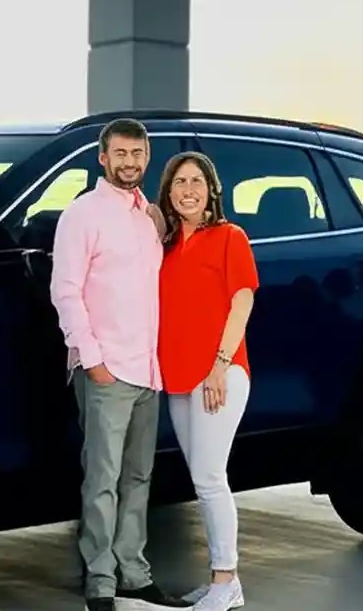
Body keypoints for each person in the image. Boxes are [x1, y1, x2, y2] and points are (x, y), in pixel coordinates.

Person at [50, 118, 186, 611]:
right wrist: (93, 360)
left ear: (147, 159)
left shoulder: (149, 216)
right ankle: (101, 582)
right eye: (120, 154)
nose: (129, 162)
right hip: (106, 369)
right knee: (102, 480)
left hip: (148, 369)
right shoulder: (83, 215)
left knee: (139, 478)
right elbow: (64, 290)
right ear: (102, 159)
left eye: (138, 154)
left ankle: (134, 572)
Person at [154, 151, 258, 611]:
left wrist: (218, 365)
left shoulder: (229, 237)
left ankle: (226, 581)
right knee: (201, 479)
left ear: (211, 189)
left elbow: (241, 305)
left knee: (212, 478)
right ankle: (219, 579)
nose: (188, 190)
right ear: (169, 193)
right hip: (178, 379)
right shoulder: (168, 247)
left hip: (219, 374)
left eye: (197, 181)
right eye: (179, 183)